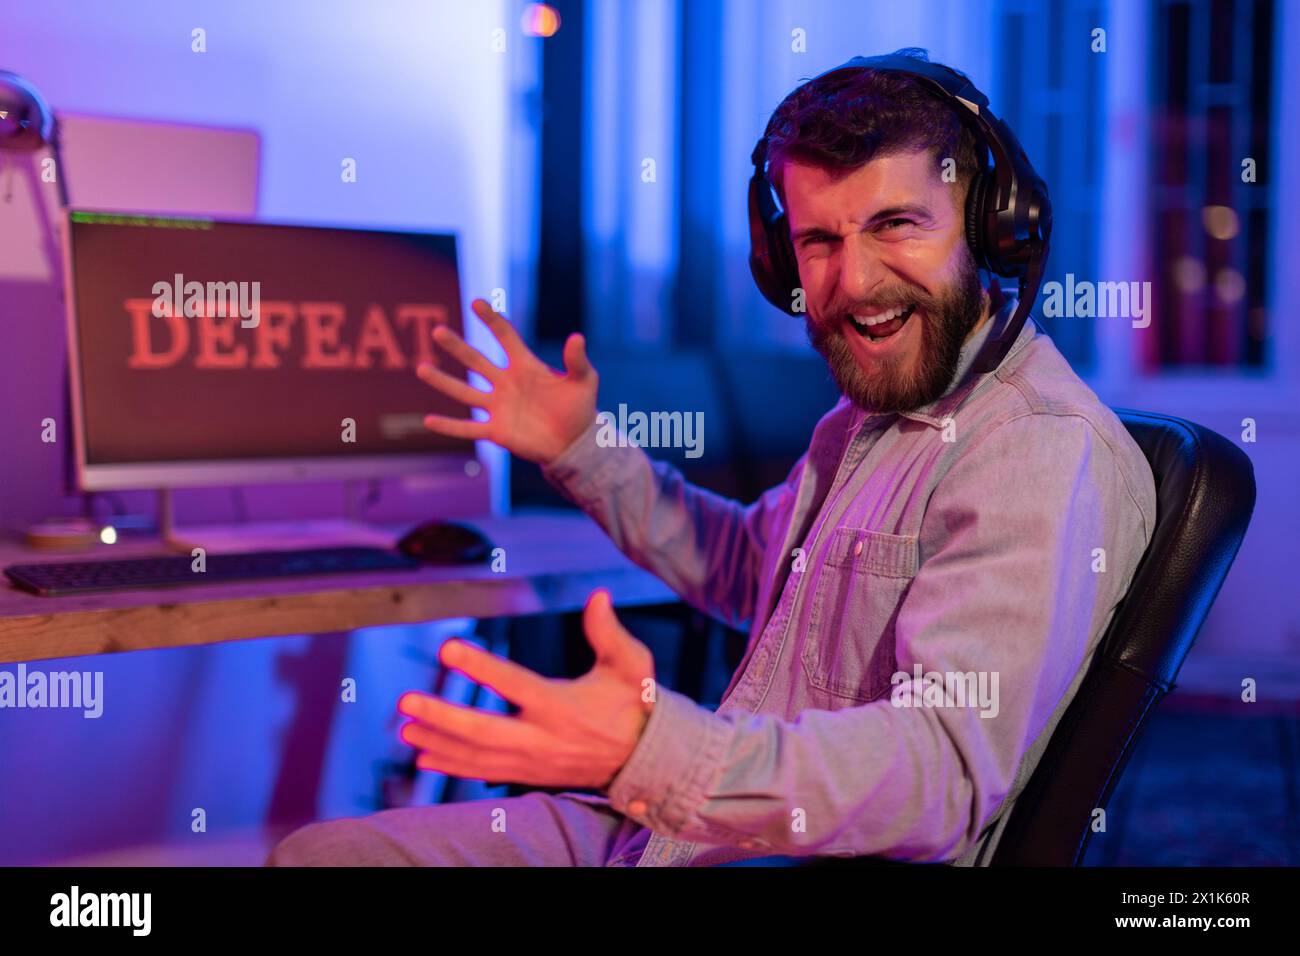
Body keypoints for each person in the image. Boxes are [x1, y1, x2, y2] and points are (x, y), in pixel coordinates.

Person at [268, 51, 1156, 867]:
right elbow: (744, 567)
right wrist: (581, 448)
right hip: (691, 830)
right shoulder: (871, 423)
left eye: (898, 224)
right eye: (819, 242)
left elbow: (945, 773)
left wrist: (651, 749)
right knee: (324, 857)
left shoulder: (1032, 446)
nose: (854, 282)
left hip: (769, 852)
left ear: (995, 229)